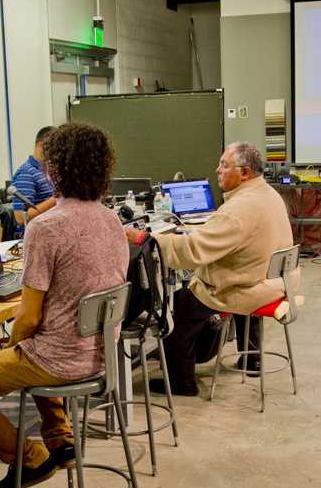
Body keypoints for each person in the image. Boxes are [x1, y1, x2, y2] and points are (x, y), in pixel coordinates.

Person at [0, 122, 128, 488]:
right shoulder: (112, 221)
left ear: (53, 169)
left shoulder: (45, 228)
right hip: (100, 355)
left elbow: (27, 317)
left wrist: (8, 349)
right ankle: (60, 441)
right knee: (41, 342)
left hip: (58, 362)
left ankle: (30, 457)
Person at [124, 142, 293, 397]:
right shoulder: (268, 195)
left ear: (245, 173)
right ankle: (251, 358)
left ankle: (182, 383)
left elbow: (194, 250)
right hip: (273, 283)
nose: (217, 170)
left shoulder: (239, 209)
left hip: (246, 289)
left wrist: (144, 239)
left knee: (176, 305)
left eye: (224, 166)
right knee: (193, 291)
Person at [11, 126, 58, 227]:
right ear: (41, 145)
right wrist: (56, 199)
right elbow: (19, 218)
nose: (57, 153)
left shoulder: (47, 170)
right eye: (55, 148)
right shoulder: (26, 173)